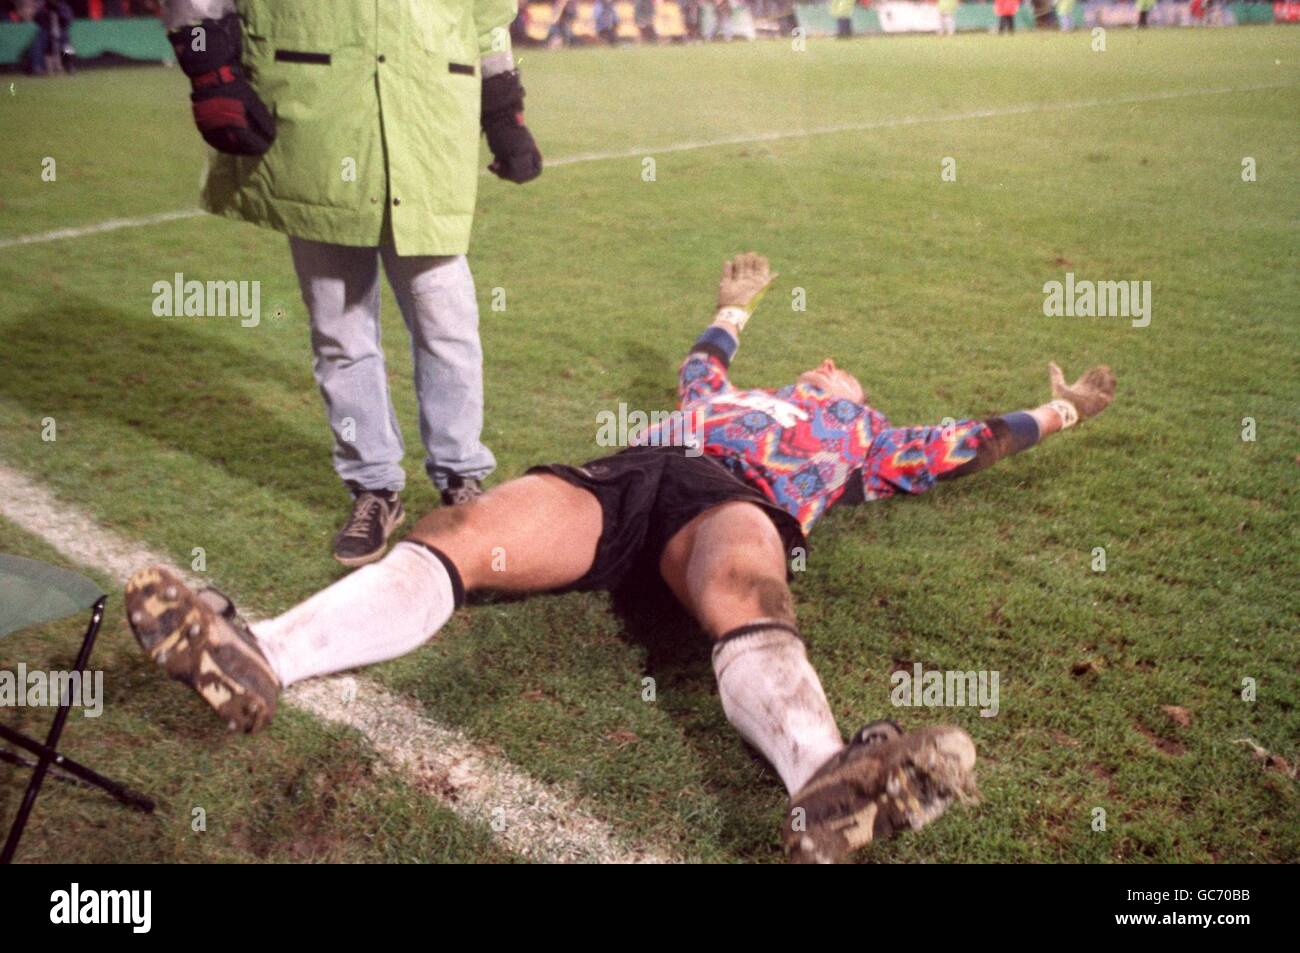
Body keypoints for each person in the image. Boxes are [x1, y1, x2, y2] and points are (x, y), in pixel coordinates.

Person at [124, 253, 1116, 864]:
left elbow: (965, 442)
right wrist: (735, 304)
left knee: (744, 584)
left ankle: (826, 781)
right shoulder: (722, 395)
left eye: (840, 371)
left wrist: (1060, 409)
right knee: (464, 530)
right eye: (819, 363)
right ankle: (264, 653)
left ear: (852, 395)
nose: (828, 366)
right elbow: (704, 361)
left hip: (734, 504)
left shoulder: (863, 434)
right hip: (627, 476)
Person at [159, 0, 543, 567]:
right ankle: (373, 487)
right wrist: (210, 74)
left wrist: (505, 114)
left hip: (428, 132)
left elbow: (487, 23)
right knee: (341, 331)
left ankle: (461, 476)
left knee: (448, 322)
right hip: (319, 133)